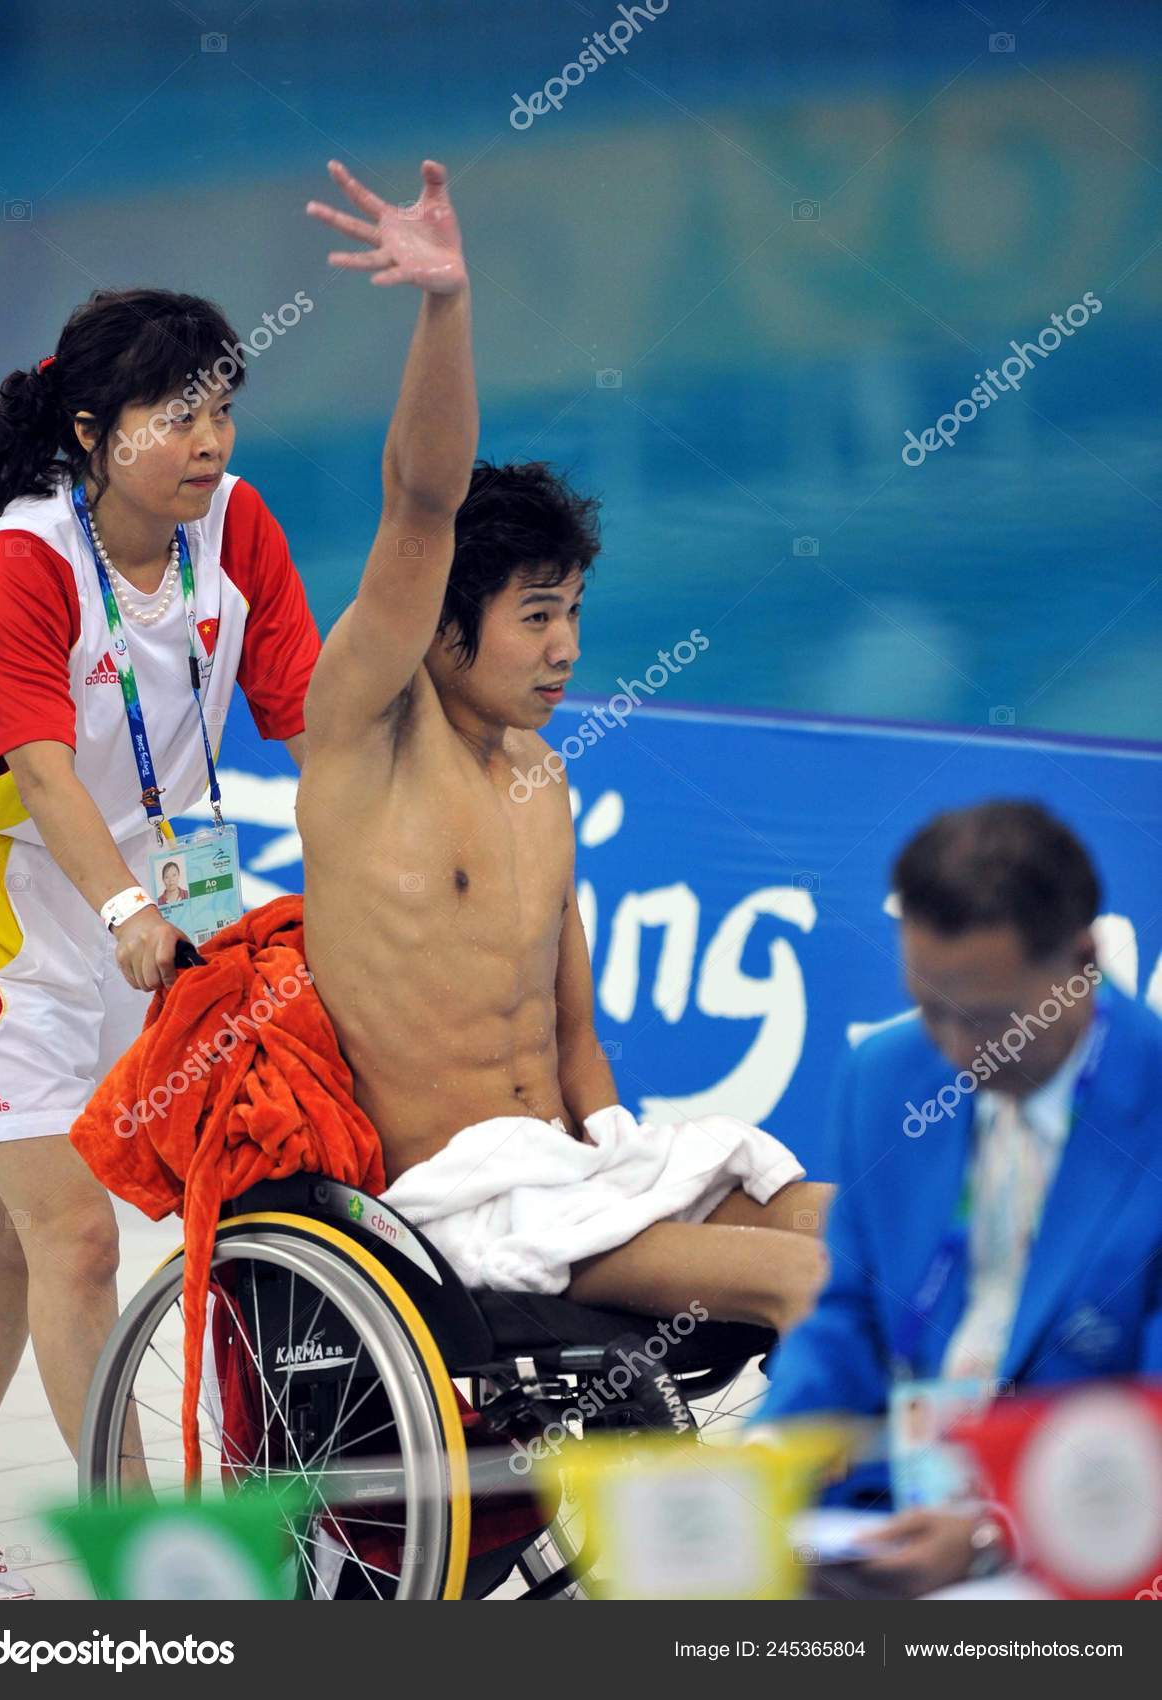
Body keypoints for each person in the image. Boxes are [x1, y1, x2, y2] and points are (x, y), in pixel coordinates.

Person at [296, 158, 831, 1335]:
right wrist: (447, 303)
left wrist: (627, 1164)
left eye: (573, 612)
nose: (564, 648)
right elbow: (419, 503)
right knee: (823, 1292)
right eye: (534, 616)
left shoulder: (541, 775)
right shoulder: (362, 742)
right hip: (461, 1216)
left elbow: (575, 1040)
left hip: (575, 1181)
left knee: (859, 1229)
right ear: (441, 629)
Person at [0, 287, 320, 1600]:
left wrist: (384, 871)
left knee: (15, 1232)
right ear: (90, 430)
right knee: (73, 1235)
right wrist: (127, 917)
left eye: (223, 410)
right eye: (173, 416)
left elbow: (311, 722)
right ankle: (151, 1561)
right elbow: (44, 766)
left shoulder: (235, 526)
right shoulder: (18, 565)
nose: (210, 441)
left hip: (168, 876)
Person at [758, 800, 1162, 1596]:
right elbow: (848, 1319)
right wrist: (770, 1458)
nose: (956, 1051)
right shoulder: (884, 1076)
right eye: (928, 1004)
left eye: (988, 1020)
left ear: (1081, 960)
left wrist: (996, 1531)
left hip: (1095, 1533)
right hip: (892, 1512)